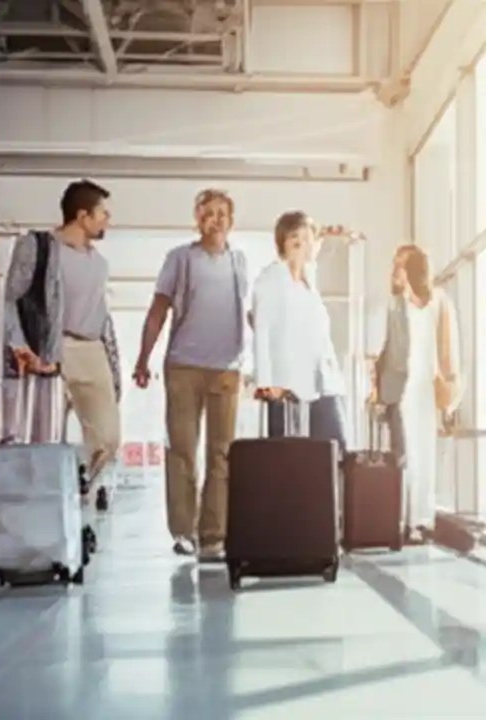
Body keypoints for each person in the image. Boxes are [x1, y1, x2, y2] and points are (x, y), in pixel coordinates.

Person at [132, 188, 249, 561]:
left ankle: (214, 534)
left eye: (222, 213)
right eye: (208, 213)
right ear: (198, 219)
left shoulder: (239, 261)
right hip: (183, 366)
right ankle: (184, 531)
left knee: (222, 453)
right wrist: (143, 359)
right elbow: (158, 311)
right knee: (182, 449)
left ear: (231, 220)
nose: (216, 220)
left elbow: (247, 314)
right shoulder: (180, 258)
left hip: (227, 368)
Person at [1, 179, 121, 494]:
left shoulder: (100, 263)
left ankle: (83, 478)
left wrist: (112, 359)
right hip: (52, 349)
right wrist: (20, 345)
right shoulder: (38, 246)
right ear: (83, 216)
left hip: (93, 349)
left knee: (109, 438)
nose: (108, 220)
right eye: (103, 213)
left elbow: (101, 312)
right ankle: (42, 495)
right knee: (43, 435)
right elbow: (11, 298)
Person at [374, 244, 461, 543]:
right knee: (402, 455)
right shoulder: (394, 304)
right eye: (394, 264)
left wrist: (450, 398)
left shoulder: (439, 302)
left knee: (424, 454)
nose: (395, 271)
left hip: (426, 389)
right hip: (400, 388)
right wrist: (377, 392)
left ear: (414, 270)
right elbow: (385, 349)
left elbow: (448, 350)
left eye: (400, 265)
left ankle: (421, 522)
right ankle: (400, 521)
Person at [250, 211, 349, 449]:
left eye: (308, 239)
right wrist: (265, 382)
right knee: (290, 453)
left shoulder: (308, 283)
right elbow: (262, 329)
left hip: (322, 380)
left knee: (335, 448)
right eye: (296, 239)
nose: (303, 245)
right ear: (283, 244)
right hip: (285, 385)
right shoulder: (272, 278)